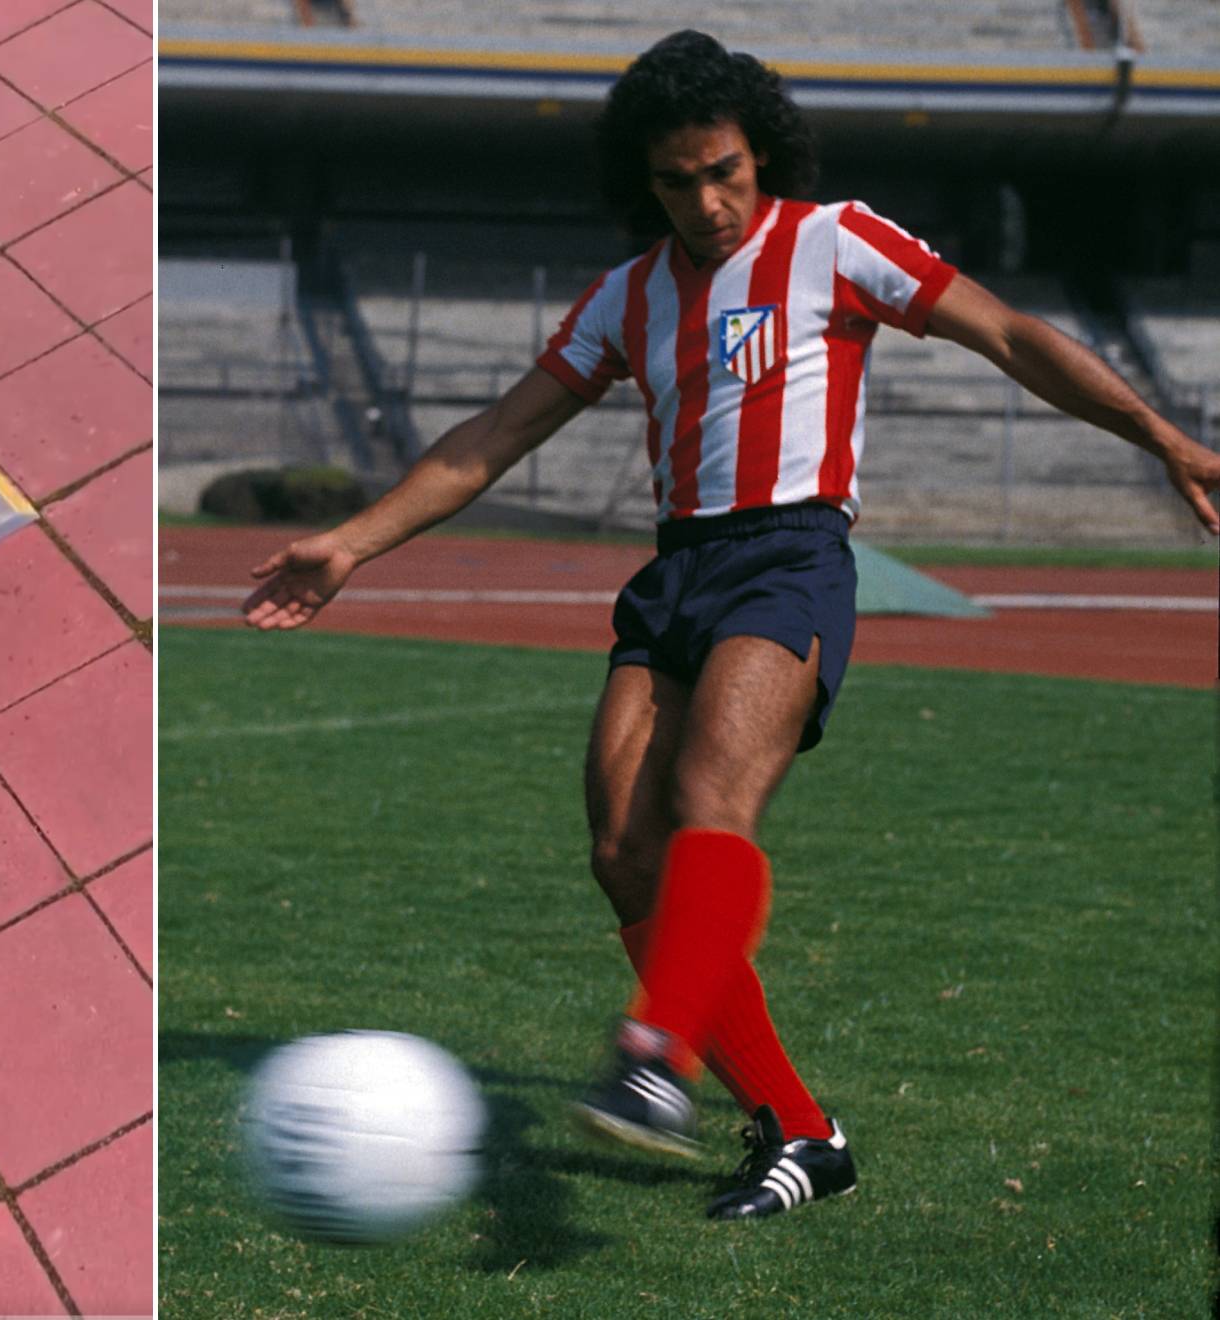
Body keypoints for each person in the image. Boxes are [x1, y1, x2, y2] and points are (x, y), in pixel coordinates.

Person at [242, 30, 1220, 1220]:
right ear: (643, 182)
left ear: (763, 155)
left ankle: (658, 1049)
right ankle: (802, 1133)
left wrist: (1163, 438)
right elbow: (492, 438)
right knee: (622, 850)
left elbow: (1011, 335)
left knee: (713, 796)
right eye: (677, 181)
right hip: (677, 572)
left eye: (725, 172)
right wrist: (351, 542)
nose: (706, 203)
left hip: (790, 559)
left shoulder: (835, 241)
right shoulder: (627, 296)